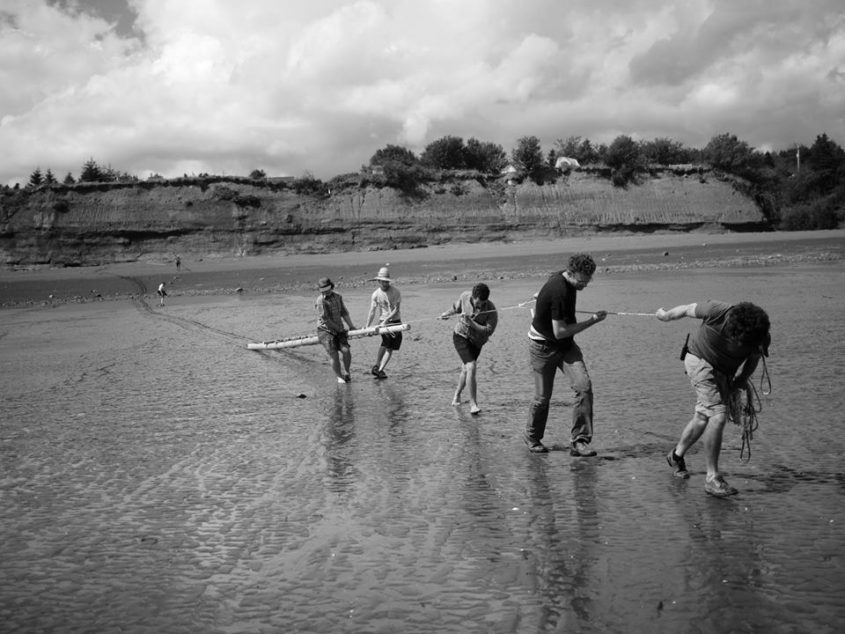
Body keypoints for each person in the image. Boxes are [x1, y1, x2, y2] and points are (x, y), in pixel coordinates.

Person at [657, 301, 770, 497]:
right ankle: (712, 478)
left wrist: (741, 380)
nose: (741, 346)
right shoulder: (718, 312)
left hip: (724, 372)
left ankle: (676, 456)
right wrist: (664, 316)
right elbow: (686, 309)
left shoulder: (759, 335)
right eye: (739, 341)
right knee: (718, 415)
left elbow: (753, 360)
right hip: (699, 360)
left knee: (703, 416)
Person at [524, 253, 607, 455]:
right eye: (581, 282)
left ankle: (579, 441)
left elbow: (549, 287)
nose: (584, 286)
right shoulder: (559, 290)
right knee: (542, 398)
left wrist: (540, 297)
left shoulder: (562, 277)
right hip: (542, 347)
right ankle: (532, 437)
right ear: (571, 273)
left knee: (584, 387)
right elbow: (560, 332)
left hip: (566, 346)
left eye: (587, 281)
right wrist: (593, 320)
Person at [439, 283, 498, 415]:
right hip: (461, 335)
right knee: (471, 366)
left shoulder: (491, 309)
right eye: (478, 304)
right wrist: (446, 314)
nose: (480, 306)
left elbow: (488, 331)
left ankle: (456, 396)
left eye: (483, 303)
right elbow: (456, 308)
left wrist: (471, 322)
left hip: (477, 342)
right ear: (473, 297)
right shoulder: (465, 296)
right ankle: (473, 404)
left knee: (466, 370)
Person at [315, 277, 356, 384]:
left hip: (339, 328)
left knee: (346, 350)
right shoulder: (320, 300)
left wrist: (351, 326)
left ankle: (347, 372)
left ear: (331, 287)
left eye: (327, 290)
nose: (326, 293)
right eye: (323, 291)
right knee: (334, 354)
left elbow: (344, 312)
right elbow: (325, 319)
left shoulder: (338, 296)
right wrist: (338, 329)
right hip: (325, 330)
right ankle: (339, 376)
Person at [365, 264, 402, 380]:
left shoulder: (395, 292)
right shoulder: (376, 294)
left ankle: (377, 367)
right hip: (383, 322)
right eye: (383, 282)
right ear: (378, 281)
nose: (385, 284)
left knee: (386, 345)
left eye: (387, 282)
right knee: (388, 347)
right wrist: (367, 326)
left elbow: (396, 309)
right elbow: (372, 311)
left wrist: (386, 320)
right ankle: (380, 369)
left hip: (395, 321)